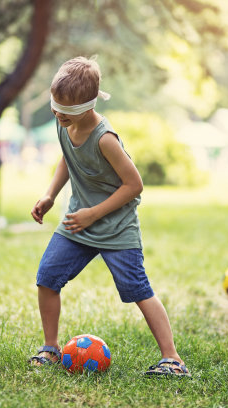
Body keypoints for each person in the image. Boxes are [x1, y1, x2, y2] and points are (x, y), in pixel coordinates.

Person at [28, 56, 190, 377]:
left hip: (116, 228)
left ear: (88, 106)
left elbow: (134, 185)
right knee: (47, 278)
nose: (58, 114)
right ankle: (50, 347)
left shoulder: (105, 139)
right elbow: (68, 159)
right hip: (78, 223)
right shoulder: (66, 125)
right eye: (55, 105)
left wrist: (94, 214)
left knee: (138, 290)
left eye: (66, 110)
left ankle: (173, 359)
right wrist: (50, 195)